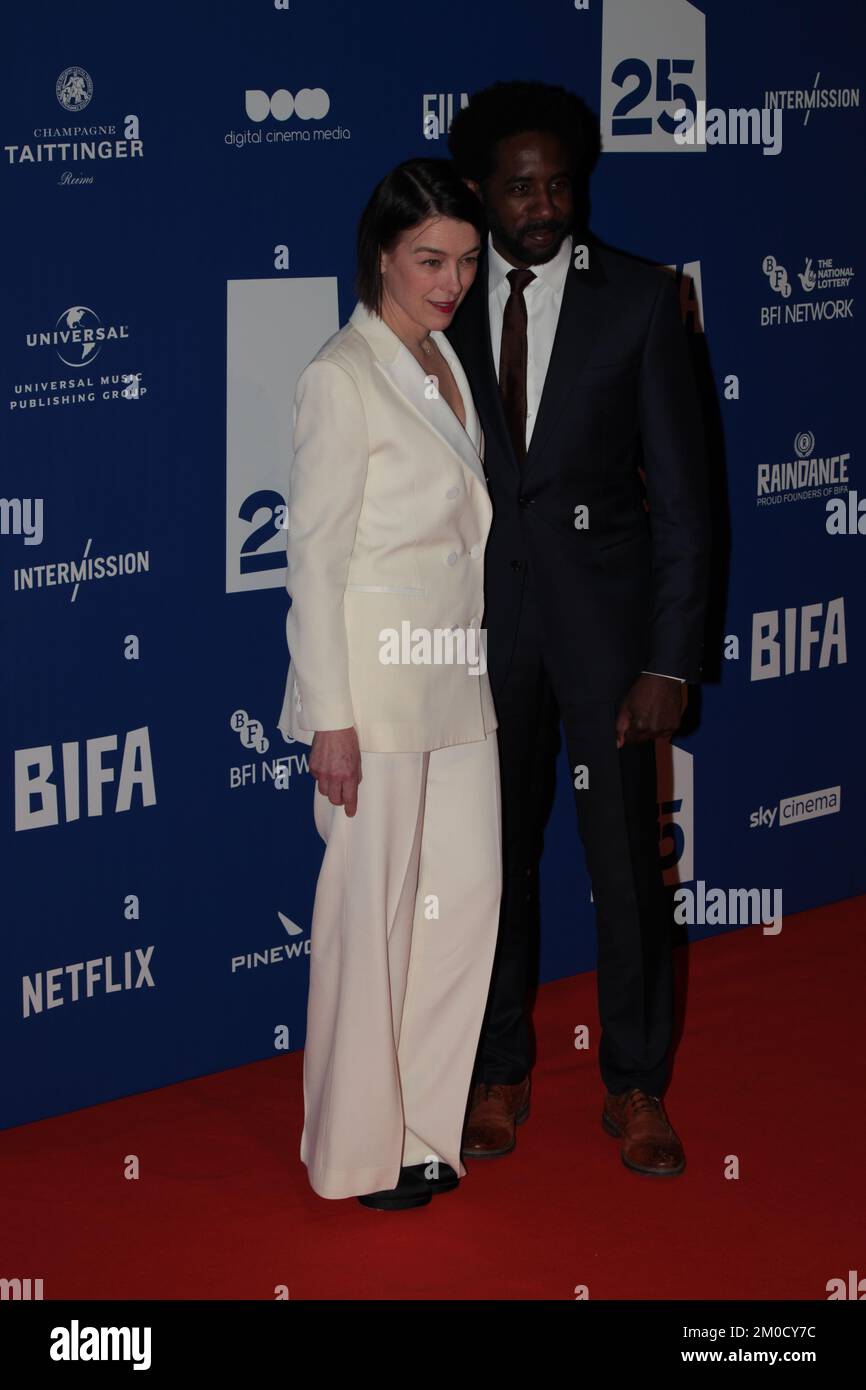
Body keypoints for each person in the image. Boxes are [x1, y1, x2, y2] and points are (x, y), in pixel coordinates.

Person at [445, 81, 711, 1176]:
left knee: (625, 874)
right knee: (488, 865)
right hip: (475, 642)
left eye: (559, 183)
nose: (543, 203)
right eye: (519, 186)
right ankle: (497, 1069)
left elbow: (691, 503)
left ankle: (635, 1084)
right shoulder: (435, 302)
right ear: (479, 191)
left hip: (608, 646)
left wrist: (666, 660)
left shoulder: (642, 299)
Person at [276, 158, 502, 1209]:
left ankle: (420, 1130)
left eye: (463, 259)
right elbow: (313, 561)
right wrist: (332, 719)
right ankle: (355, 1153)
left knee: (457, 913)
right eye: (429, 260)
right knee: (370, 926)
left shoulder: (441, 360)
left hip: (457, 685)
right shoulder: (341, 374)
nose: (450, 280)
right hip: (373, 698)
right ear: (380, 256)